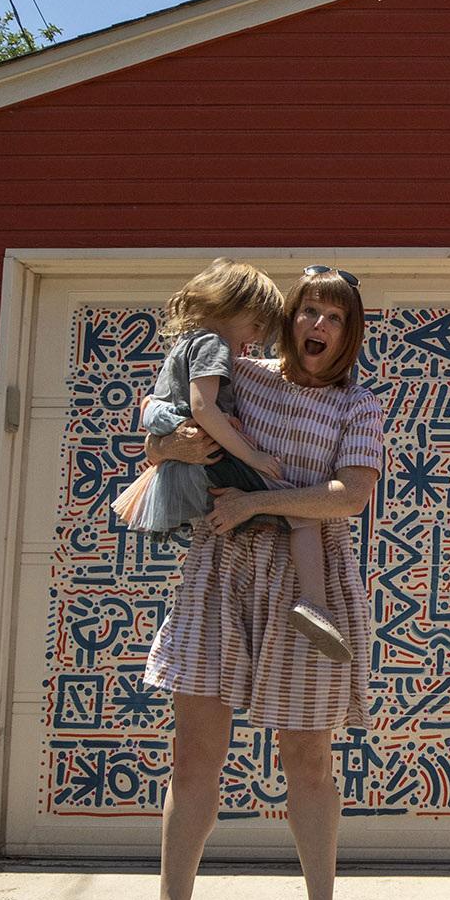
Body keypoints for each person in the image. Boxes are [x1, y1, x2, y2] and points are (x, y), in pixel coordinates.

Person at [135, 265, 384, 900]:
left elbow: (353, 494)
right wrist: (170, 447)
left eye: (333, 317)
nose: (316, 324)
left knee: (305, 758)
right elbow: (163, 434)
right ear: (288, 317)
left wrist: (259, 502)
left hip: (308, 581)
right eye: (307, 309)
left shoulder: (358, 405)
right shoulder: (239, 375)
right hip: (220, 568)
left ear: (347, 333)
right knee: (193, 755)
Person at [114, 259, 351, 662]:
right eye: (309, 312)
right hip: (212, 481)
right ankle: (314, 602)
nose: (257, 335)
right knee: (303, 515)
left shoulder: (194, 343)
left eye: (334, 318)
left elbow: (155, 406)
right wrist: (252, 456)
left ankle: (310, 602)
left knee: (280, 509)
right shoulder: (221, 352)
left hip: (203, 471)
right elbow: (191, 416)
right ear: (231, 306)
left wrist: (249, 495)